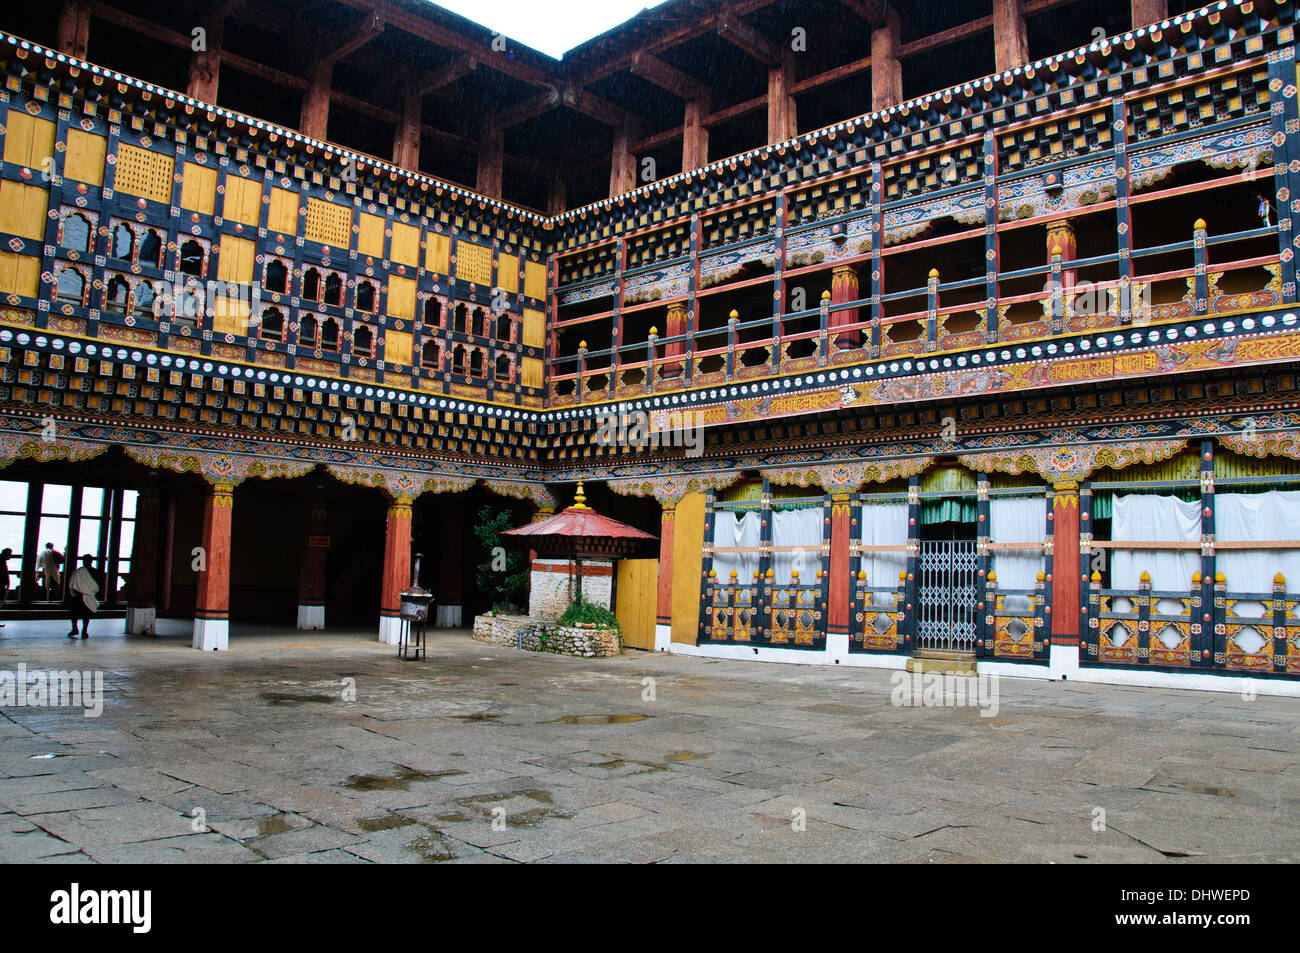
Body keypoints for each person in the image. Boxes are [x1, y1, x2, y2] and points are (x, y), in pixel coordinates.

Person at [67, 555, 100, 640]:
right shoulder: (95, 572)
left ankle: (74, 628)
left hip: (78, 596)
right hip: (89, 596)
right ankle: (84, 631)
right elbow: (97, 586)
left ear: (83, 561)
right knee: (87, 614)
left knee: (74, 614)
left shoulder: (78, 572)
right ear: (91, 561)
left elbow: (71, 584)